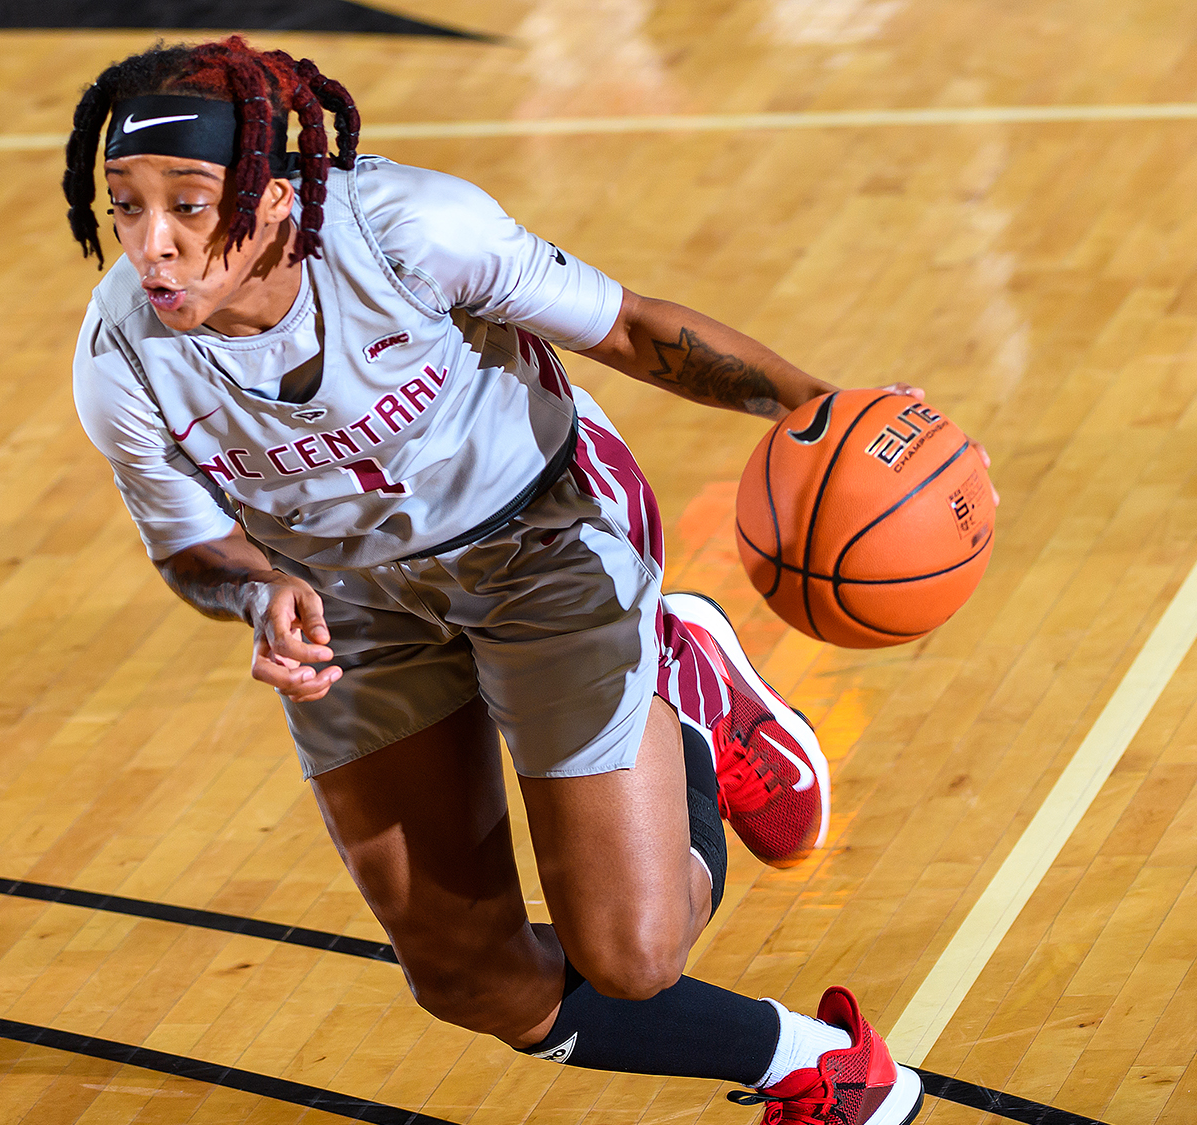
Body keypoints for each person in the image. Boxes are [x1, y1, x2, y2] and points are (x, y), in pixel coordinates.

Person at [63, 37, 923, 1125]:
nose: (153, 245)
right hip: (352, 600)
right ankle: (819, 1066)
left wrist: (826, 411)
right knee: (468, 976)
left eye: (189, 206)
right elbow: (190, 544)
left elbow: (629, 329)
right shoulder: (121, 357)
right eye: (126, 207)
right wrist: (256, 596)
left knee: (634, 957)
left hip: (544, 544)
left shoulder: (410, 232)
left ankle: (687, 693)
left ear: (274, 199)